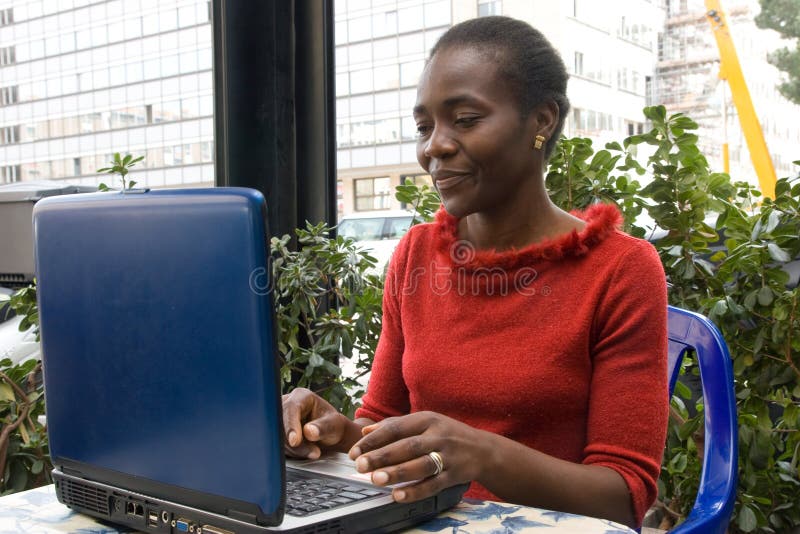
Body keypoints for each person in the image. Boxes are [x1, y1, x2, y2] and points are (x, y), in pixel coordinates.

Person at [282, 16, 668, 529]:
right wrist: (338, 433)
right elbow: (383, 421)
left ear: (542, 120)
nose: (433, 147)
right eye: (424, 127)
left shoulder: (620, 270)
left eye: (464, 119)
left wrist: (482, 455)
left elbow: (624, 496)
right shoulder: (417, 254)